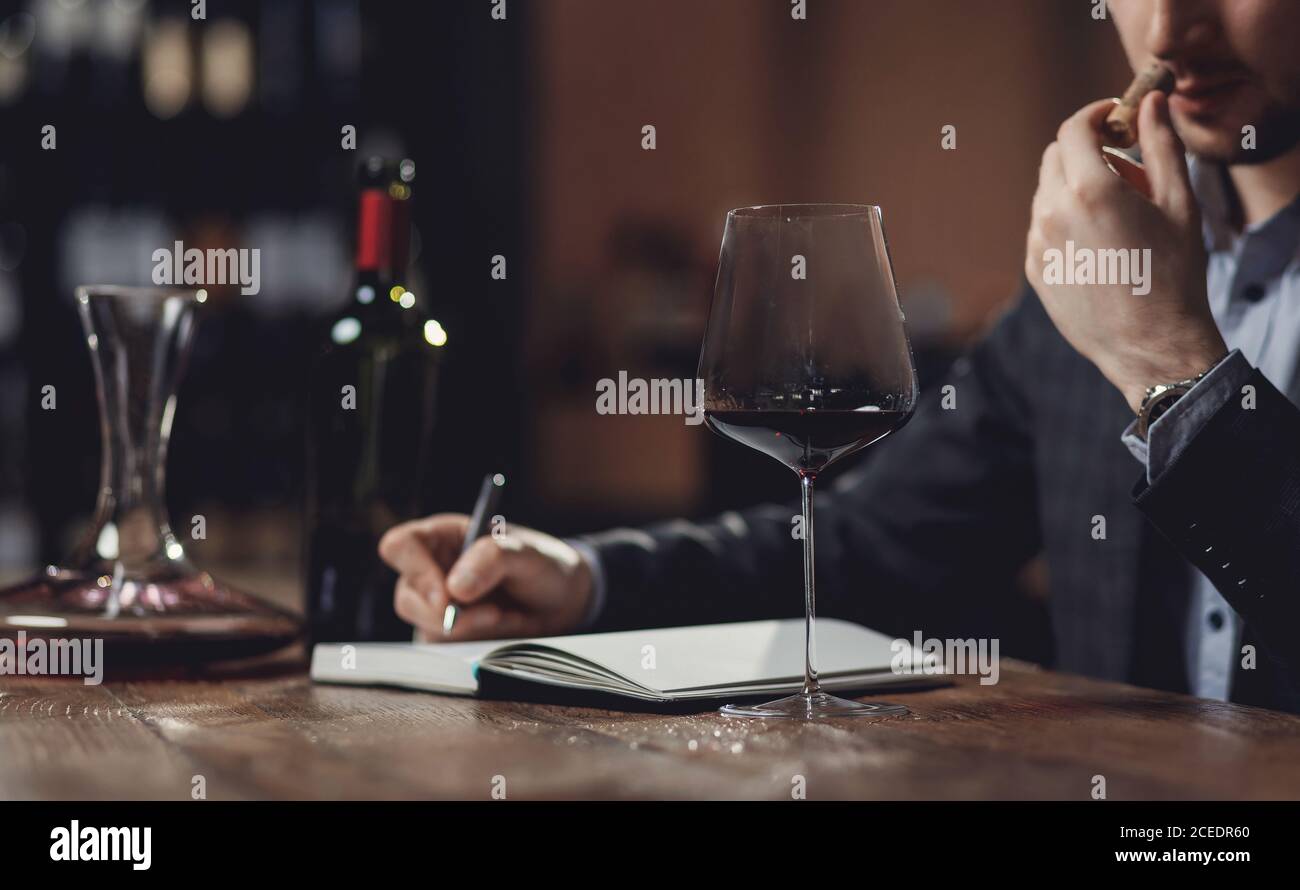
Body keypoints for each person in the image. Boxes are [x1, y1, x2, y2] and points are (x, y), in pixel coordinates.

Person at [378, 0, 1300, 713]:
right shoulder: (1094, 277)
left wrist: (1170, 366)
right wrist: (584, 582)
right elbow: (867, 547)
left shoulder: (1125, 303)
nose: (1172, 26)